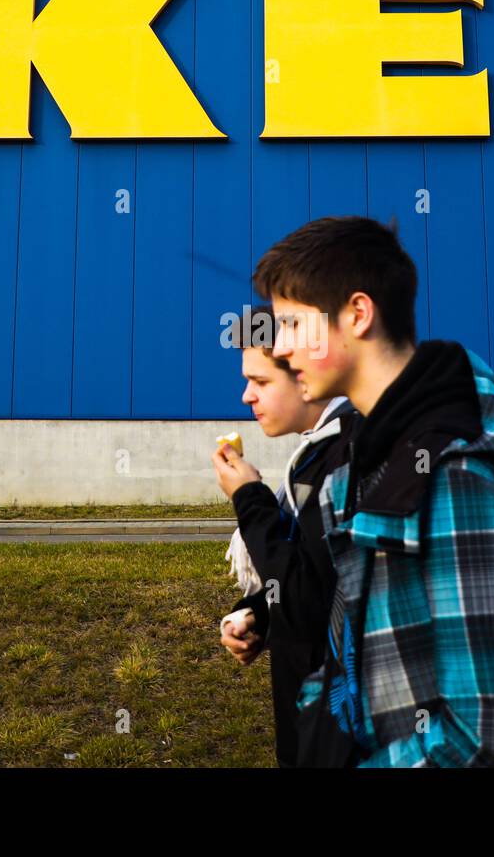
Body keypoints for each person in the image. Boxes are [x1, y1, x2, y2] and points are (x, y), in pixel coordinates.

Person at [254, 216, 494, 767]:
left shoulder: (454, 479)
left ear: (357, 314)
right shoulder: (372, 462)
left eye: (290, 324)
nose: (281, 350)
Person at [210, 305, 358, 768]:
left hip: (339, 738)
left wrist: (249, 498)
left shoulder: (343, 459)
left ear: (304, 374)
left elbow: (309, 602)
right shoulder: (314, 455)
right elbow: (318, 581)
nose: (245, 396)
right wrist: (258, 616)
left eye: (261, 381)